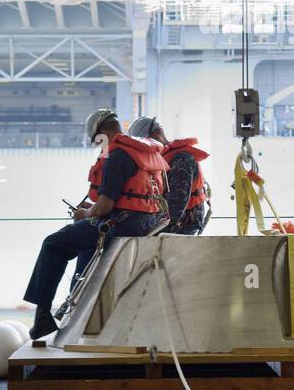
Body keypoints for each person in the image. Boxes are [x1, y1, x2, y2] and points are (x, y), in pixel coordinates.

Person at [22, 108, 168, 340]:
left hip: (118, 225)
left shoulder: (117, 156)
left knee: (53, 244)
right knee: (85, 248)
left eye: (98, 142)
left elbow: (104, 207)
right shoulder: (142, 152)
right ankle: (79, 311)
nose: (99, 147)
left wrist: (84, 214)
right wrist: (93, 211)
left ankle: (42, 319)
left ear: (103, 133)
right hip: (143, 223)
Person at [129, 116, 210, 235]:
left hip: (184, 222)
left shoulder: (181, 160)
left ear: (155, 136)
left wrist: (149, 223)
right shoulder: (167, 158)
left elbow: (176, 207)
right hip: (173, 219)